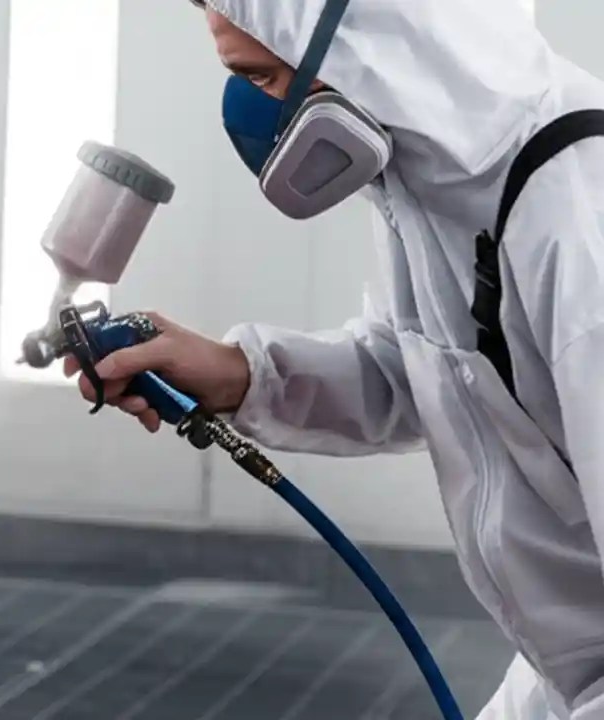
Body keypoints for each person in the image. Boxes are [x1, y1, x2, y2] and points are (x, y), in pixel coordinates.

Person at [65, 1, 604, 718]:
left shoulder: (578, 216)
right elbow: (418, 370)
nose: (251, 112)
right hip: (564, 668)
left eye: (258, 78)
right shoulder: (432, 180)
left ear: (366, 44)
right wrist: (234, 372)